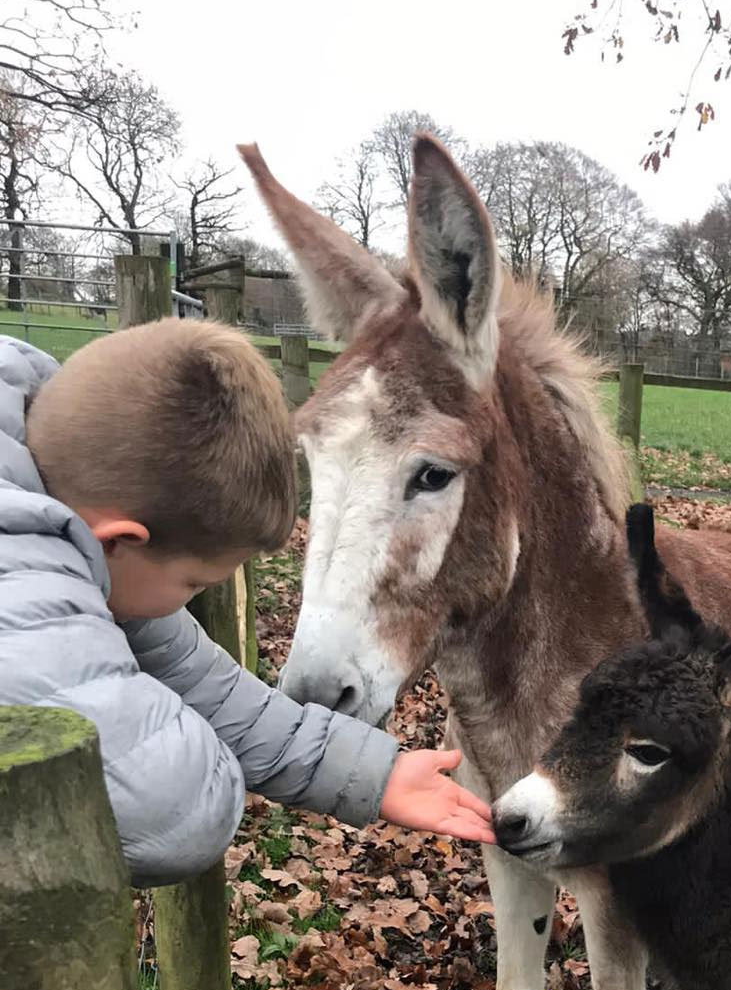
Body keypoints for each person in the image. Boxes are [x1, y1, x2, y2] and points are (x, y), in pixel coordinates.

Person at [0, 321, 493, 885]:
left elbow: (190, 675)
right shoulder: (20, 591)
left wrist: (370, 772)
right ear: (117, 541)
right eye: (193, 584)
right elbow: (173, 812)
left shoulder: (50, 484)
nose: (192, 601)